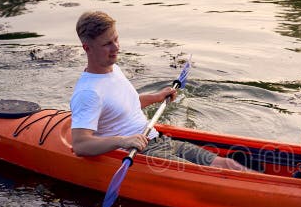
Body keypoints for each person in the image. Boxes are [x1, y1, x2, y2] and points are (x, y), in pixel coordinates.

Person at [70, 10, 248, 171]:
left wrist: (156, 97)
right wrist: (123, 141)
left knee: (228, 164)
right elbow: (80, 145)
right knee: (213, 175)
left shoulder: (113, 69)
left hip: (157, 140)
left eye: (116, 39)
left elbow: (123, 105)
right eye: (107, 44)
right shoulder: (88, 93)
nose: (116, 47)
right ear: (88, 48)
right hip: (139, 154)